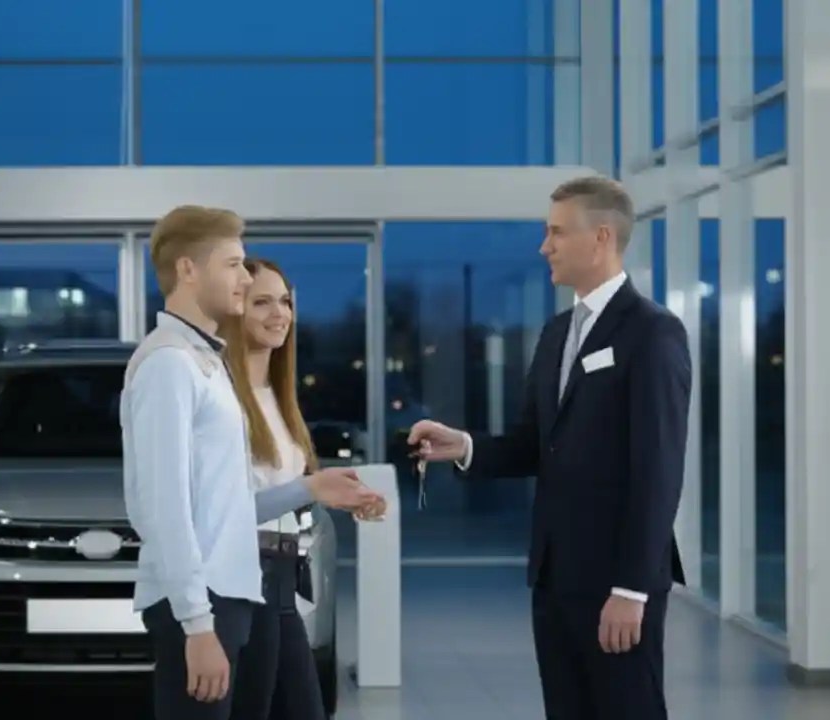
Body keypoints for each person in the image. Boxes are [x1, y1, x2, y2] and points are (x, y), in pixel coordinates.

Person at [408, 177, 690, 720]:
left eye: (557, 233)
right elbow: (535, 445)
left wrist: (631, 589)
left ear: (601, 237)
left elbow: (659, 471)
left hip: (617, 583)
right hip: (555, 580)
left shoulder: (653, 333)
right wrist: (463, 446)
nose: (545, 247)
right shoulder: (559, 332)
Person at [121, 206, 385, 720]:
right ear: (188, 270)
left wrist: (313, 489)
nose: (244, 278)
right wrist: (197, 624)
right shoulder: (169, 364)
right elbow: (166, 510)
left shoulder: (202, 363)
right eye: (234, 265)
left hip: (233, 594)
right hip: (206, 601)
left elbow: (225, 503)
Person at [220, 257, 380, 719]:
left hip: (282, 578)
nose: (280, 313)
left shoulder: (276, 395)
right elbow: (224, 511)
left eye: (285, 301)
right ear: (234, 309)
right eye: (262, 302)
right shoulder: (219, 398)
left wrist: (345, 496)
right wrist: (312, 486)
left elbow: (290, 491)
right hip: (241, 583)